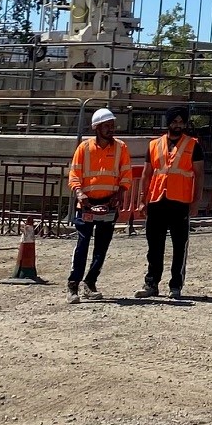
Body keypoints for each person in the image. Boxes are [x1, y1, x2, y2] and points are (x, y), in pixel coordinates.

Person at [135, 106, 203, 300]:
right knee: (154, 246)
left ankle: (176, 285)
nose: (178, 125)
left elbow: (199, 175)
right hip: (157, 200)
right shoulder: (154, 145)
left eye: (181, 122)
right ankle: (151, 284)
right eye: (174, 122)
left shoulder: (193, 145)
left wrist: (196, 201)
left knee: (179, 246)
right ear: (168, 123)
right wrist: (142, 200)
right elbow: (147, 174)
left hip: (180, 201)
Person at [67, 106, 133, 303]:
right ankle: (73, 285)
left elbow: (126, 175)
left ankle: (90, 282)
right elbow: (74, 175)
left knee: (102, 247)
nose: (111, 129)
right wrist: (80, 193)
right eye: (107, 126)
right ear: (96, 127)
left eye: (112, 125)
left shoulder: (121, 148)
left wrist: (119, 193)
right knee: (82, 244)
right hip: (87, 205)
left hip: (109, 204)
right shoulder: (84, 149)